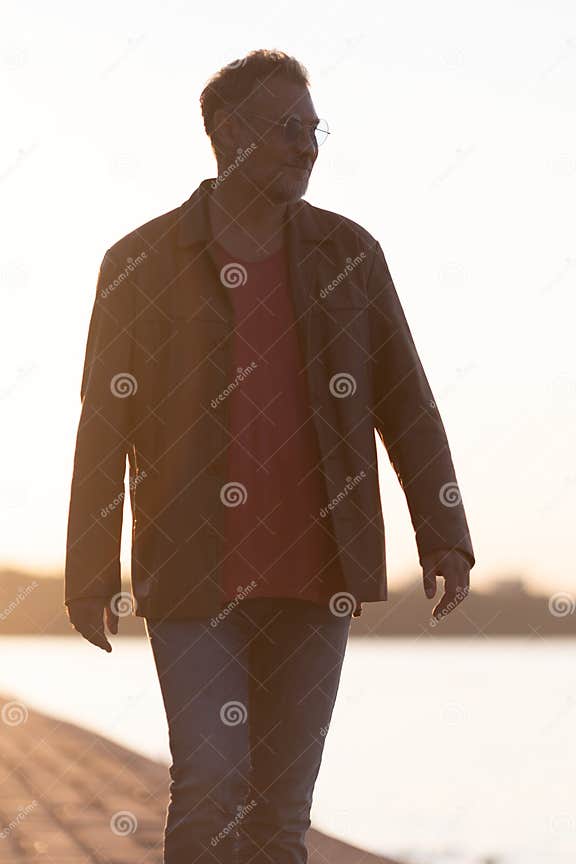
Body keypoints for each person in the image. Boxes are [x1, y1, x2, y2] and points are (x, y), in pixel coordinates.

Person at [64, 49, 475, 864]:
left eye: (313, 128)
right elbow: (103, 428)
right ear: (227, 132)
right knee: (211, 783)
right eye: (287, 127)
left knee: (282, 813)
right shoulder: (139, 262)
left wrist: (446, 535)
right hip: (192, 572)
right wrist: (89, 572)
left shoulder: (350, 254)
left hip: (319, 574)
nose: (306, 145)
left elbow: (408, 403)